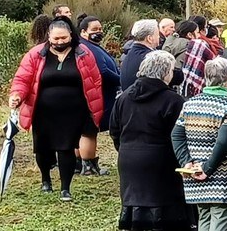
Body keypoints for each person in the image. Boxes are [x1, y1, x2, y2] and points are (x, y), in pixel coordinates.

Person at [10, 17, 106, 201]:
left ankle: (65, 188)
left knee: (67, 148)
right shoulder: (36, 54)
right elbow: (23, 79)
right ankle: (46, 180)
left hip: (72, 111)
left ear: (71, 34)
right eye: (56, 39)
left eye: (64, 38)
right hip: (43, 111)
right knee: (43, 148)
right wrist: (16, 95)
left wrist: (94, 107)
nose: (60, 42)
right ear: (49, 36)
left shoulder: (83, 53)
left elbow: (94, 81)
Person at [112, 49, 192, 231]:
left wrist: (125, 148)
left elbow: (115, 130)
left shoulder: (123, 97)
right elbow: (179, 135)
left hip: (128, 159)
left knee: (136, 213)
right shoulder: (173, 100)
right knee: (164, 215)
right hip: (161, 161)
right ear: (165, 72)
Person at [174, 56, 227, 231]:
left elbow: (176, 135)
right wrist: (208, 168)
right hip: (225, 181)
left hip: (195, 177)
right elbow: (224, 141)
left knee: (205, 223)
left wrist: (187, 162)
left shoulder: (190, 104)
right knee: (220, 224)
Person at [78, 14, 122, 177]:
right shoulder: (86, 48)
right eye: (94, 29)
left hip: (100, 95)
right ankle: (88, 166)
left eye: (100, 29)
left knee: (86, 131)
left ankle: (83, 163)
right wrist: (121, 79)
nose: (99, 32)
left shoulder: (90, 46)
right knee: (89, 131)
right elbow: (102, 72)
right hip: (96, 96)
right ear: (83, 32)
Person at [122, 19, 184, 92]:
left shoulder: (128, 55)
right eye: (157, 34)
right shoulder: (152, 58)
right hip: (149, 100)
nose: (159, 37)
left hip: (130, 98)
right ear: (149, 38)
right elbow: (177, 77)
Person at [182, 18, 219, 96]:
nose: (200, 35)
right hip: (193, 91)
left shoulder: (171, 42)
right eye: (198, 32)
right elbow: (216, 62)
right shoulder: (198, 45)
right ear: (189, 34)